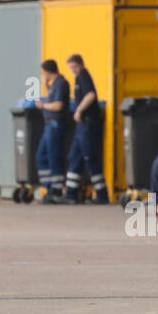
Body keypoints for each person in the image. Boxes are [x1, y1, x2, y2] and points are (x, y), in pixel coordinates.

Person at [62, 54, 106, 204]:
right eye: (70, 68)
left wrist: (79, 110)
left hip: (88, 123)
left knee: (90, 157)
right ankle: (70, 194)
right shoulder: (78, 78)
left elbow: (91, 95)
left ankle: (102, 195)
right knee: (74, 157)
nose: (72, 70)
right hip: (82, 126)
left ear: (81, 64)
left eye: (74, 67)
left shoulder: (84, 77)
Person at [34, 59, 69, 203]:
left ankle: (56, 191)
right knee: (41, 156)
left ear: (47, 71)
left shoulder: (61, 83)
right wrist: (45, 85)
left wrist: (43, 105)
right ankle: (49, 188)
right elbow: (52, 98)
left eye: (43, 73)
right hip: (49, 125)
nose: (43, 75)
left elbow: (58, 105)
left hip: (55, 125)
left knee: (54, 157)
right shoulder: (54, 84)